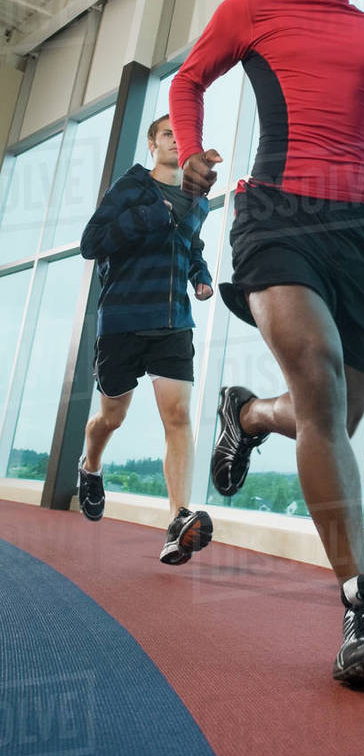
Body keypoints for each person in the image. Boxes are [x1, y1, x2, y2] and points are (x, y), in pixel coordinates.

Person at [169, 0, 364, 684]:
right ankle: (361, 607)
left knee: (334, 415)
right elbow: (189, 80)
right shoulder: (253, 10)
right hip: (276, 213)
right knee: (317, 372)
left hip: (360, 236)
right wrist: (190, 154)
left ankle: (246, 414)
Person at [77, 115, 216, 567]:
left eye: (183, 134)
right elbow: (92, 242)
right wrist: (152, 215)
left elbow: (190, 245)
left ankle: (178, 519)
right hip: (122, 320)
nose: (176, 140)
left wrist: (201, 275)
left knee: (177, 416)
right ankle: (90, 466)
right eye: (167, 134)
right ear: (152, 144)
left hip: (174, 321)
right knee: (111, 417)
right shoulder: (131, 187)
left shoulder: (199, 200)